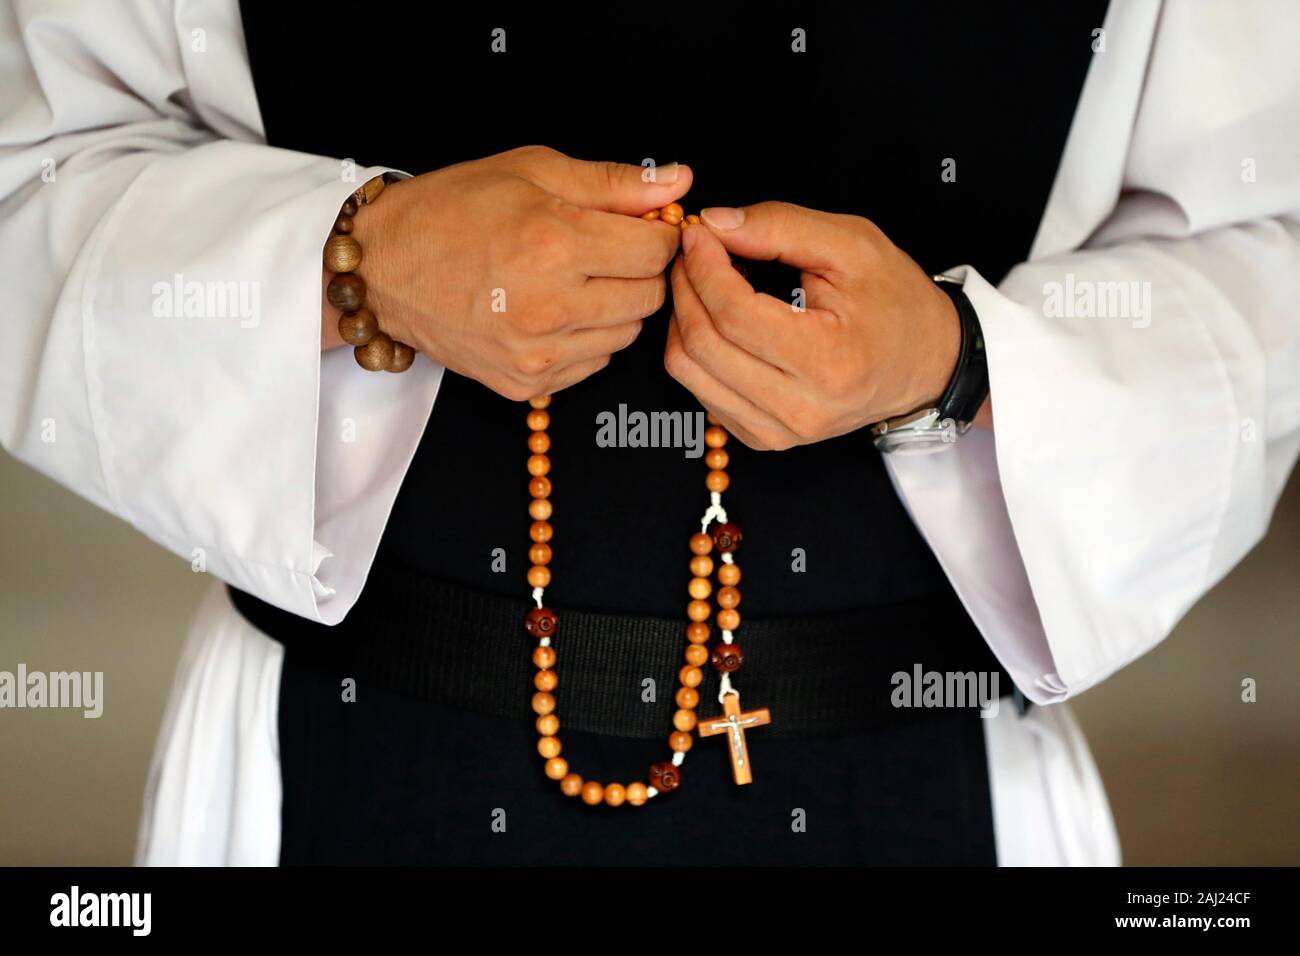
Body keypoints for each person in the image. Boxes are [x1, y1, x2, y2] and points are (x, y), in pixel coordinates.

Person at [1, 1, 1296, 865]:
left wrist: (956, 364)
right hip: (350, 753)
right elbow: (32, 156)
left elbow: (1265, 233)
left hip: (920, 770)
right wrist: (359, 265)